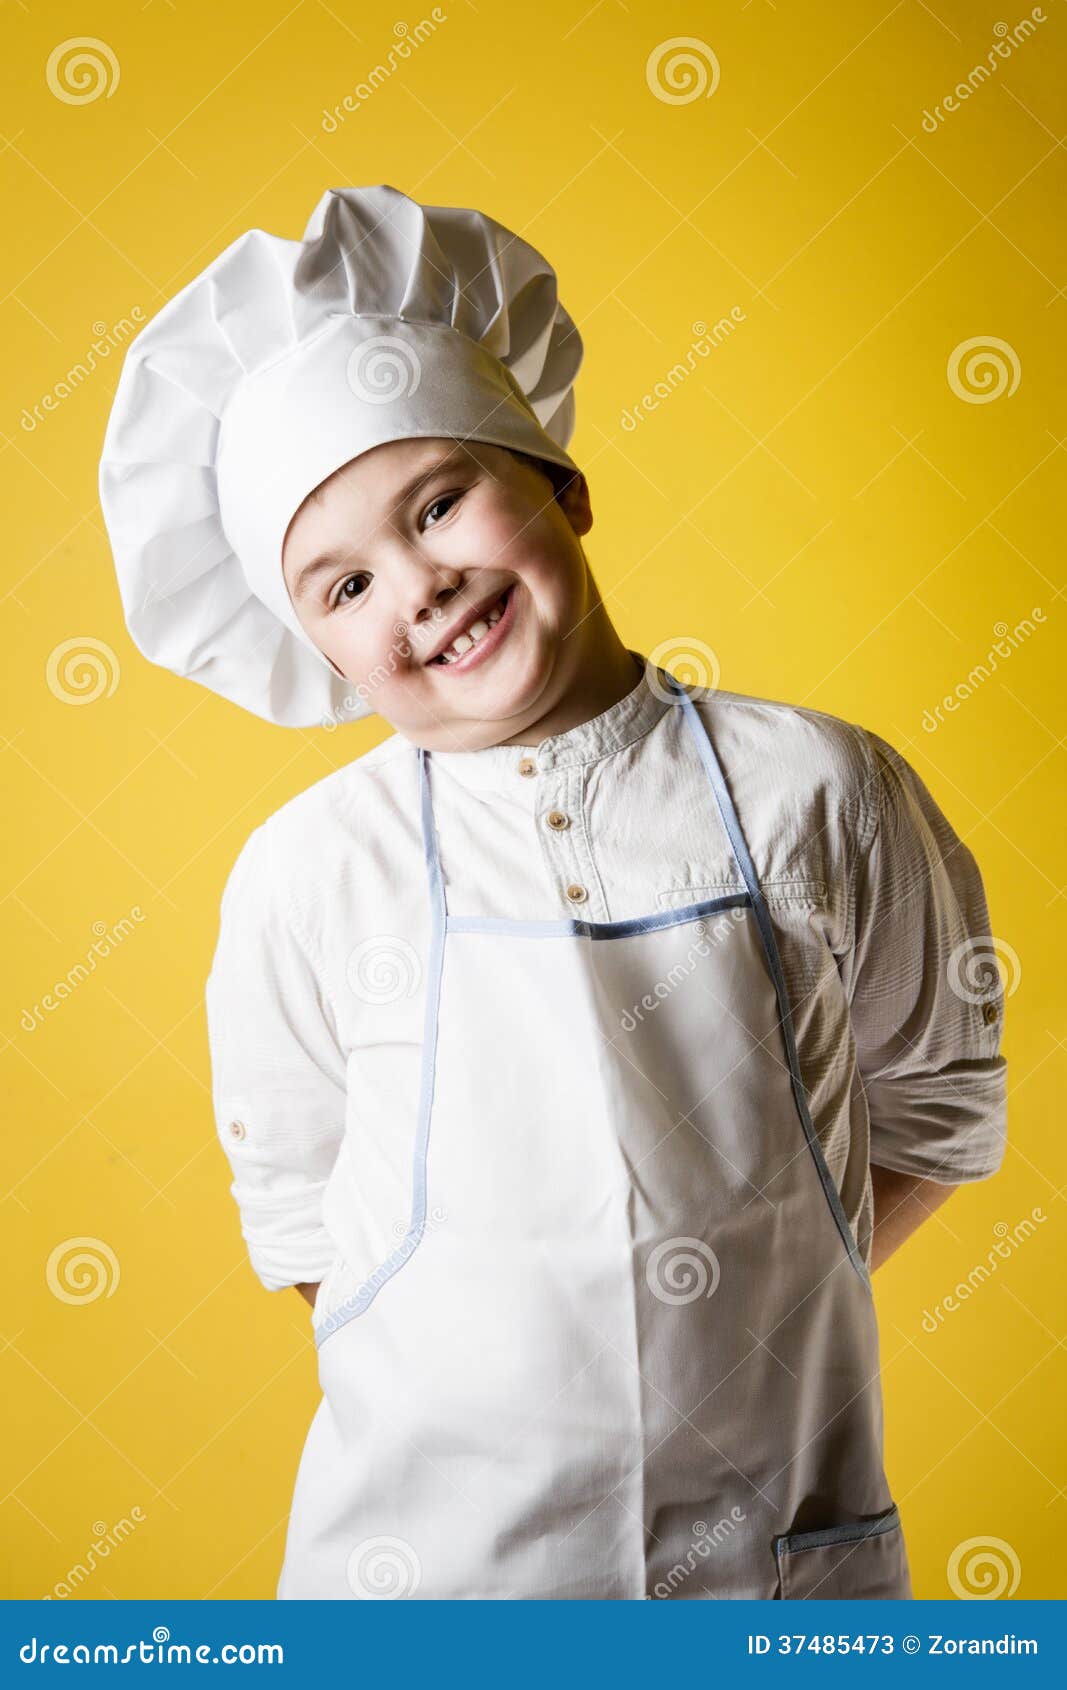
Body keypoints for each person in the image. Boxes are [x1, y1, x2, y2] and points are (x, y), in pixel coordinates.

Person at [98, 184, 1008, 1601]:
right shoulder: (307, 874)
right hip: (430, 1580)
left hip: (775, 1557)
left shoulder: (818, 786)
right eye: (341, 586)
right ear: (319, 657)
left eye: (442, 501)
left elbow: (940, 1098)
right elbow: (300, 1216)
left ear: (565, 487)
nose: (420, 585)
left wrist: (761, 1302)